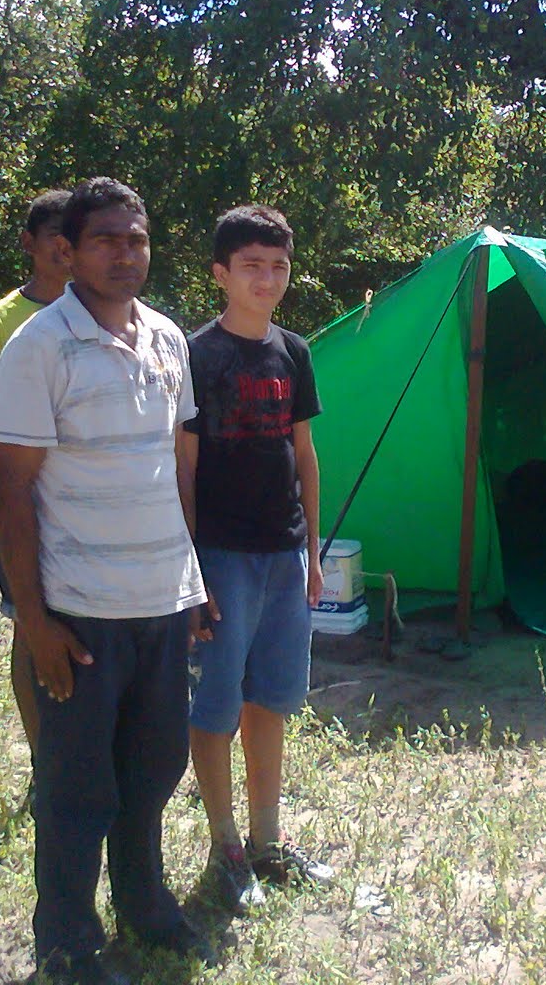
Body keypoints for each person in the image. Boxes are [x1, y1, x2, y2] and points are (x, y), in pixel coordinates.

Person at [0, 177, 210, 984]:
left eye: (137, 238)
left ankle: (147, 910)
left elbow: (177, 465)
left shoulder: (167, 338)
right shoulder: (38, 347)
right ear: (67, 252)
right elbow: (12, 491)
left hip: (161, 596)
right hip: (79, 611)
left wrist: (194, 578)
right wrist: (34, 620)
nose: (126, 253)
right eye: (107, 239)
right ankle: (67, 942)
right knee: (77, 786)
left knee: (153, 769)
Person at [181, 204, 334, 912]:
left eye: (278, 266)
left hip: (284, 551)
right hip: (220, 553)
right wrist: (188, 568)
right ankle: (227, 847)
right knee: (214, 706)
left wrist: (313, 552)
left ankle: (269, 842)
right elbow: (181, 467)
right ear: (221, 274)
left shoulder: (294, 352)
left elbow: (304, 454)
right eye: (251, 266)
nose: (266, 279)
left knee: (269, 699)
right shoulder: (196, 353)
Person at [0, 189, 70, 768]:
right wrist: (9, 504)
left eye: (71, 233)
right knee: (32, 630)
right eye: (50, 234)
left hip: (90, 512)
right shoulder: (0, 320)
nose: (62, 245)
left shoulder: (107, 312)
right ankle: (43, 764)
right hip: (27, 508)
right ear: (29, 243)